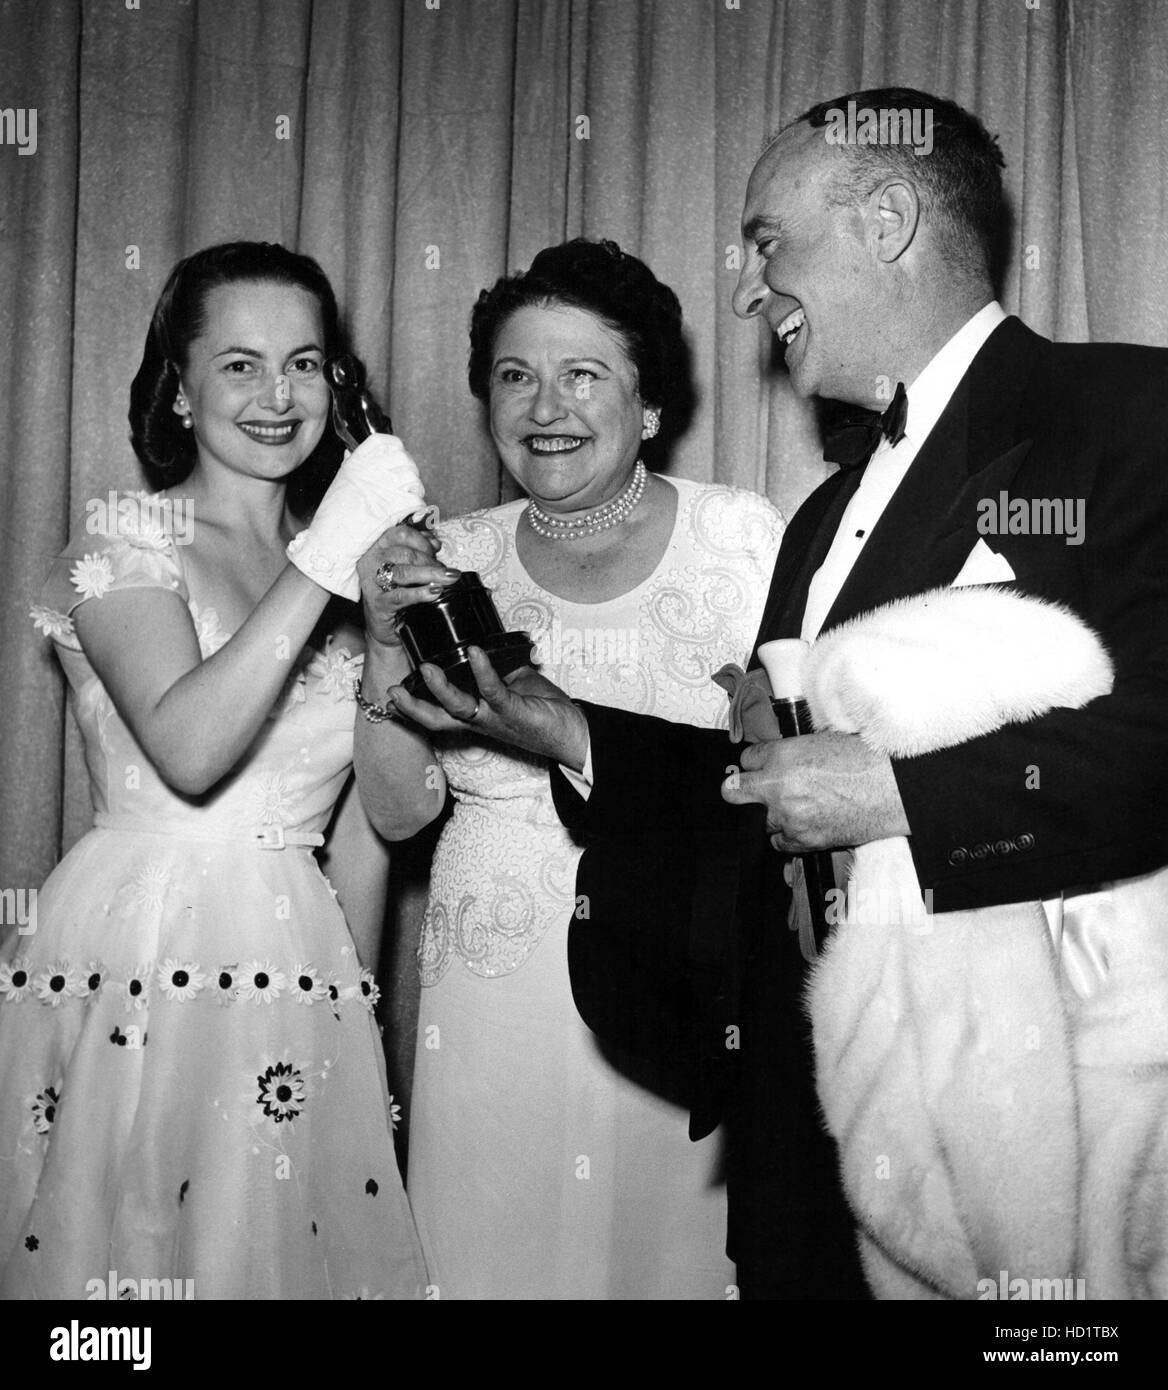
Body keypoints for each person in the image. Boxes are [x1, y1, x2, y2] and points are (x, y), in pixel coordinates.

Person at [393, 90, 1168, 1299]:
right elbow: (769, 806)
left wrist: (904, 793)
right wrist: (566, 730)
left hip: (1041, 1171)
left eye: (768, 241)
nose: (749, 289)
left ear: (888, 217)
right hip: (811, 1157)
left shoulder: (1129, 413)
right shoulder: (816, 524)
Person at [0, 241, 448, 1299]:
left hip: (295, 963)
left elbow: (380, 824)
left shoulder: (339, 578)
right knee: (130, 1255)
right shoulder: (126, 537)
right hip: (140, 949)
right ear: (181, 387)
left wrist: (357, 1007)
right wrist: (327, 553)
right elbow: (190, 750)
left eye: (305, 362)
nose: (278, 392)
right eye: (239, 364)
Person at [357, 238, 783, 1299]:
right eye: (515, 375)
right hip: (493, 998)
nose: (545, 405)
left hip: (680, 979)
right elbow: (399, 812)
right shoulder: (451, 556)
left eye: (583, 373)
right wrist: (376, 638)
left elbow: (783, 777)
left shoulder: (743, 537)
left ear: (647, 405)